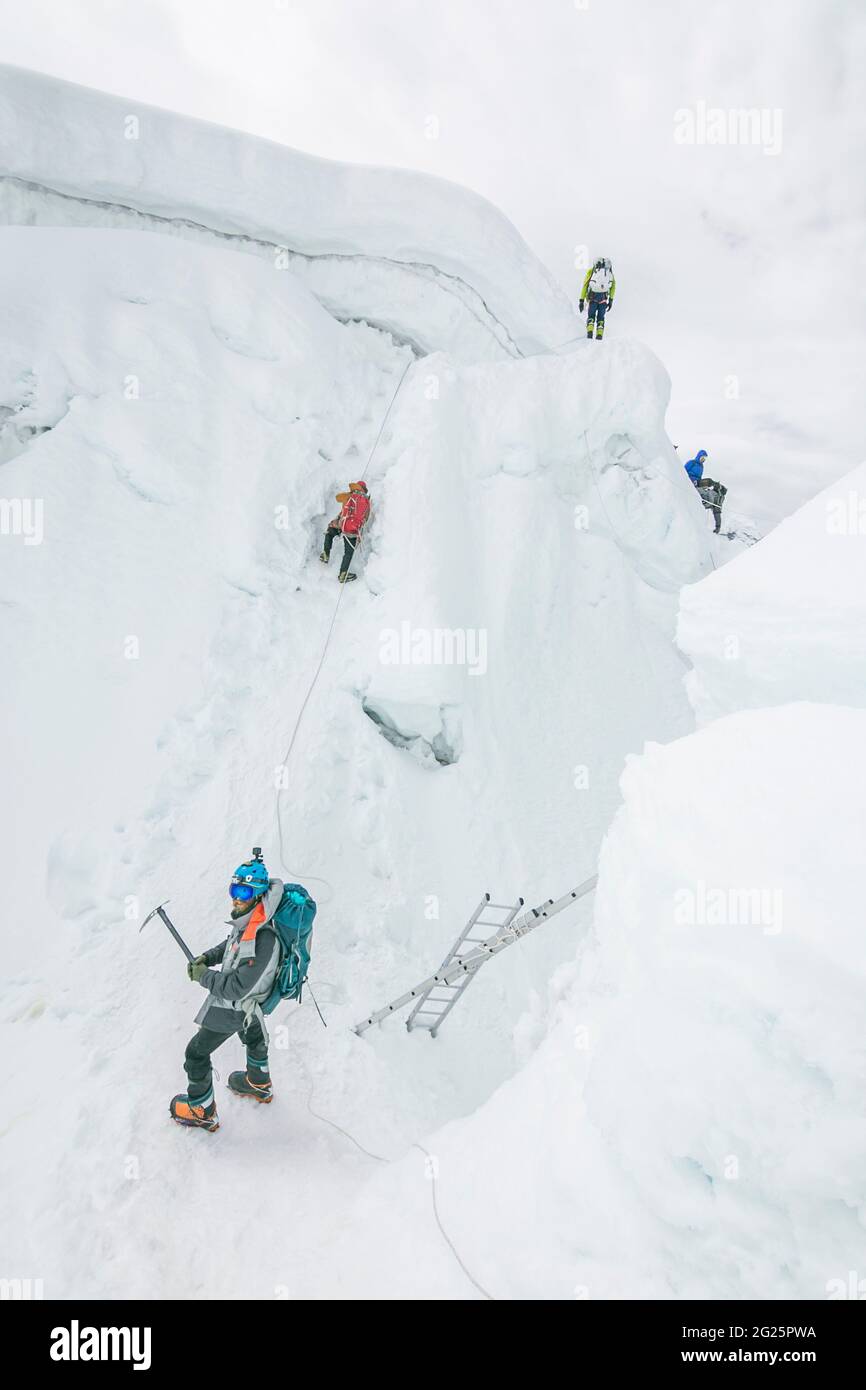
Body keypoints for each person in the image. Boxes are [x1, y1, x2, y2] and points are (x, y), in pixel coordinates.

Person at [170, 854, 284, 1132]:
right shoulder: (253, 921)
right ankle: (259, 1082)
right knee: (253, 1031)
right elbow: (231, 945)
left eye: (244, 893)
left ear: (259, 895)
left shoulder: (264, 936)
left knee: (195, 1053)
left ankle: (201, 1111)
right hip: (250, 1003)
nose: (236, 899)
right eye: (234, 890)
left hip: (236, 1007)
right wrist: (208, 958)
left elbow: (235, 988)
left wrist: (203, 976)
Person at [320, 480, 371, 583]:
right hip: (352, 530)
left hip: (341, 523)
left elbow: (338, 498)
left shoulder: (349, 496)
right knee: (348, 552)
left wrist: (349, 495)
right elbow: (365, 519)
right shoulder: (366, 501)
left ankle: (325, 554)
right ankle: (343, 575)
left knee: (330, 531)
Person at [579, 256, 616, 341]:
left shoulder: (591, 271)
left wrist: (581, 300)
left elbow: (585, 285)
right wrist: (611, 300)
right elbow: (613, 287)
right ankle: (599, 336)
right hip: (603, 299)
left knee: (591, 316)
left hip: (593, 298)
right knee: (601, 318)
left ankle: (589, 334)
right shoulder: (609, 274)